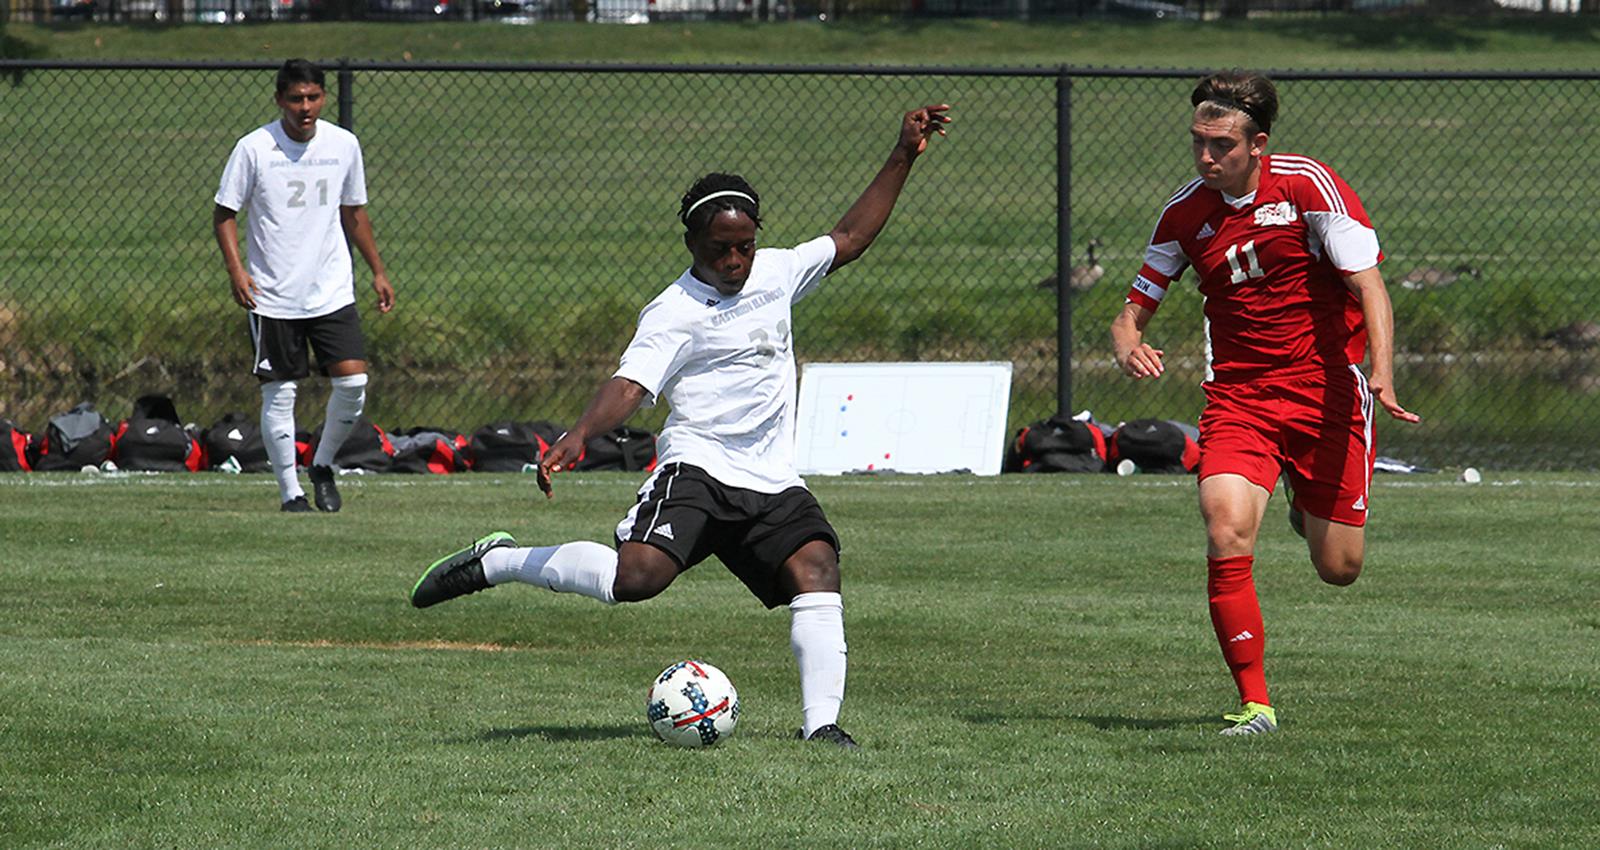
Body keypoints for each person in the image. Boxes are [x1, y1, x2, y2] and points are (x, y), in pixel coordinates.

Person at [409, 103, 952, 750]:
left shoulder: (776, 273)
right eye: (720, 248)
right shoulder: (673, 312)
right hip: (697, 468)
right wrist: (581, 433)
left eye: (745, 245)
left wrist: (902, 151)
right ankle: (498, 561)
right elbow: (632, 384)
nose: (735, 259)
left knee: (817, 567)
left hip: (771, 476)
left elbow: (851, 238)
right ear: (693, 245)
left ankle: (821, 727)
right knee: (634, 580)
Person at [1110, 71, 1419, 736]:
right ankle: (1255, 704)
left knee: (1338, 568)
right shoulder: (1184, 213)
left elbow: (1370, 286)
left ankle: (1305, 505)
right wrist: (1127, 343)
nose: (1204, 157)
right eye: (1197, 142)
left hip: (1326, 393)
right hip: (1239, 400)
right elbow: (1130, 314)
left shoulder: (1308, 185)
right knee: (1223, 527)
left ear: (1258, 145)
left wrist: (1383, 374)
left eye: (1219, 144)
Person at [213, 58, 395, 513]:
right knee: (281, 393)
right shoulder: (254, 148)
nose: (305, 107)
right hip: (273, 294)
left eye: (313, 97)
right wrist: (238, 272)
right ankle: (290, 493)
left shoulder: (343, 144)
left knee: (354, 383)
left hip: (331, 289)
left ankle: (322, 463)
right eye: (296, 98)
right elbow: (224, 215)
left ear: (323, 98)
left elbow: (354, 212)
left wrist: (377, 270)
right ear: (280, 101)